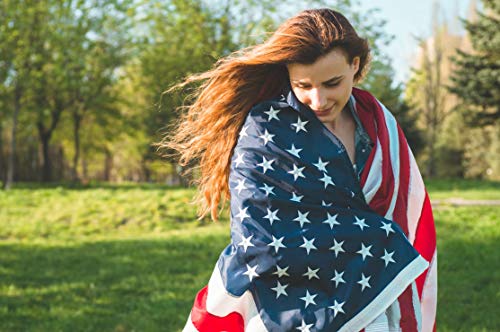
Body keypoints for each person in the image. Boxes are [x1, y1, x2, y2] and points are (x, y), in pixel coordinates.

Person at [160, 8, 437, 332]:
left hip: (373, 299)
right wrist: (378, 239)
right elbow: (258, 235)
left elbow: (406, 208)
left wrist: (376, 244)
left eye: (332, 83)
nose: (318, 99)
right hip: (284, 301)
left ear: (355, 65)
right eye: (303, 85)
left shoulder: (379, 124)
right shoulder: (265, 130)